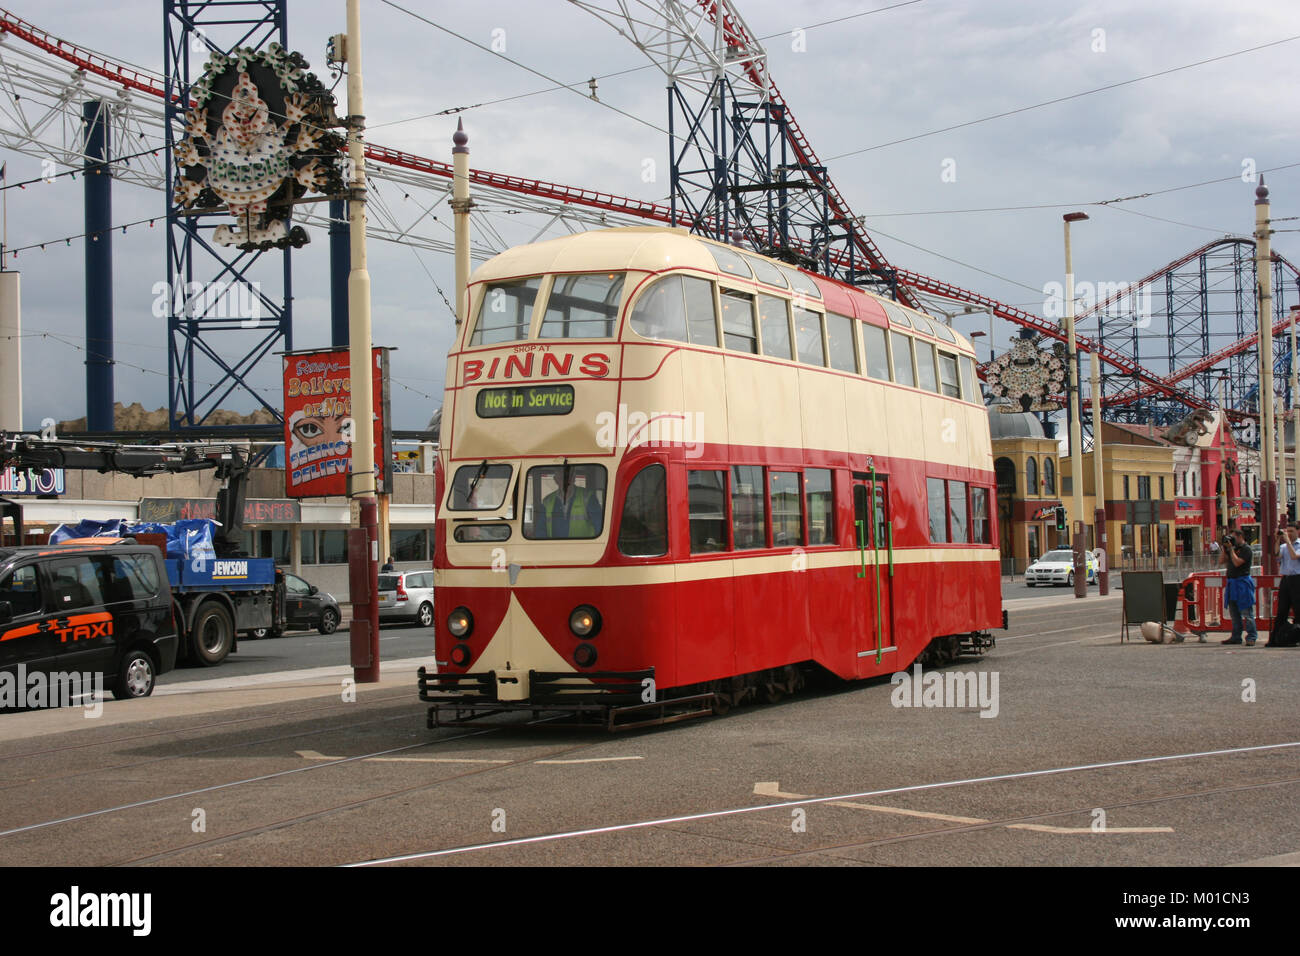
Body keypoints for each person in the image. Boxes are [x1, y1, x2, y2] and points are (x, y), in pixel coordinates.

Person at [1221, 529, 1257, 646]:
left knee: (1247, 612)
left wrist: (1231, 550)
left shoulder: (1246, 549)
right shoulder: (1233, 549)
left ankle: (1251, 636)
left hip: (1243, 582)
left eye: (1233, 538)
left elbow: (1237, 563)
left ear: (1240, 536)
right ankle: (1236, 636)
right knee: (1234, 613)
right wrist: (1224, 549)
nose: (1231, 540)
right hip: (1232, 583)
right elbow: (1222, 561)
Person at [538, 477, 602, 539]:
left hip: (583, 548)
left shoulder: (587, 497)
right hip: (555, 548)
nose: (566, 479)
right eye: (561, 476)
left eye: (570, 475)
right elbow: (540, 530)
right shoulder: (548, 500)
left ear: (574, 477)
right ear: (556, 479)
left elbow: (600, 526)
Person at [1269, 522, 1300, 647]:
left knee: (1298, 609)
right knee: (1282, 610)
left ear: (1298, 531)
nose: (1289, 534)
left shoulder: (1298, 545)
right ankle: (1276, 638)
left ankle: (1296, 636)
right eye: (1287, 531)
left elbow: (1294, 556)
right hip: (1286, 579)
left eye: (1291, 531)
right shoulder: (1283, 546)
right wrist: (1277, 539)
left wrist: (1287, 541)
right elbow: (1276, 555)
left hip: (1297, 579)